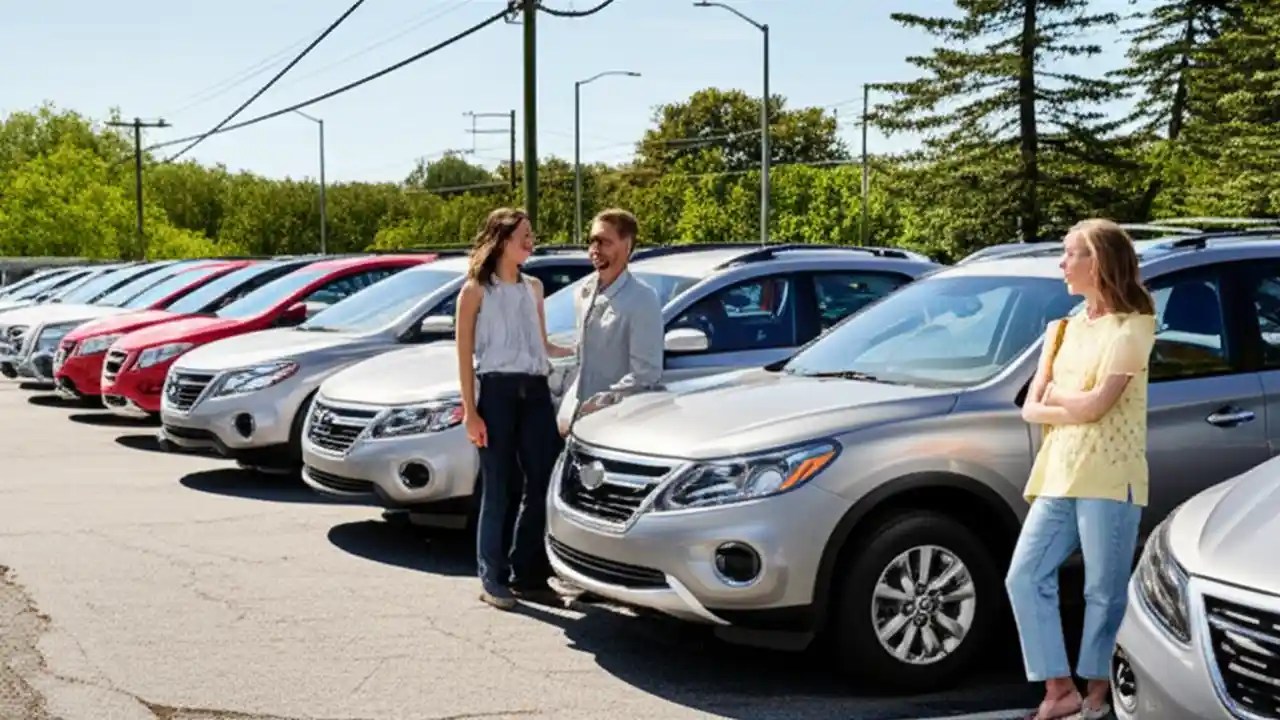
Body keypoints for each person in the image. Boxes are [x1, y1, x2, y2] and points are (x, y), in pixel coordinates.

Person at [1006, 218, 1157, 720]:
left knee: (1102, 590)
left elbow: (1097, 406)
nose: (1062, 263)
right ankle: (1058, 688)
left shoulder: (1135, 327)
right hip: (1059, 471)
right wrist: (1070, 402)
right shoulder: (1062, 328)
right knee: (1024, 577)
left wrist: (1059, 398)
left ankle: (1097, 692)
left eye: (1071, 253)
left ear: (1099, 262)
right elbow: (1030, 407)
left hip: (1111, 476)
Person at [455, 207, 574, 611]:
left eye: (531, 234)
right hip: (497, 394)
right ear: (502, 239)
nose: (531, 240)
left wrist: (586, 348)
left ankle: (529, 575)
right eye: (524, 234)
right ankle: (492, 576)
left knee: (541, 481)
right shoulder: (474, 291)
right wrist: (471, 412)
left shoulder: (535, 288)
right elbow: (464, 357)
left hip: (536, 392)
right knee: (499, 486)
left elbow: (544, 346)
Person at [556, 208, 664, 436]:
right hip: (578, 423)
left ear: (627, 247)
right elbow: (583, 359)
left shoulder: (643, 299)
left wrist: (601, 403)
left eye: (604, 242)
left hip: (619, 425)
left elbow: (645, 375)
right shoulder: (584, 292)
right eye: (592, 241)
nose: (595, 250)